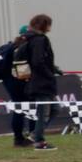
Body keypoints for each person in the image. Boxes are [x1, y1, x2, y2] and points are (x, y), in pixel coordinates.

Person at [13, 14, 60, 151]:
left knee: (55, 109)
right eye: (49, 24)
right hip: (41, 82)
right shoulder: (39, 40)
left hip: (38, 81)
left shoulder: (28, 39)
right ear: (44, 25)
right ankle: (39, 141)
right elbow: (38, 61)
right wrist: (49, 75)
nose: (51, 27)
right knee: (44, 113)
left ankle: (35, 135)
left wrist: (54, 69)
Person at [0, 26, 31, 146]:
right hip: (17, 80)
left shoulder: (12, 46)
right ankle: (24, 137)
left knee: (20, 108)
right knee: (26, 107)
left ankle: (21, 137)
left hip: (8, 80)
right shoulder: (21, 48)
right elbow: (22, 69)